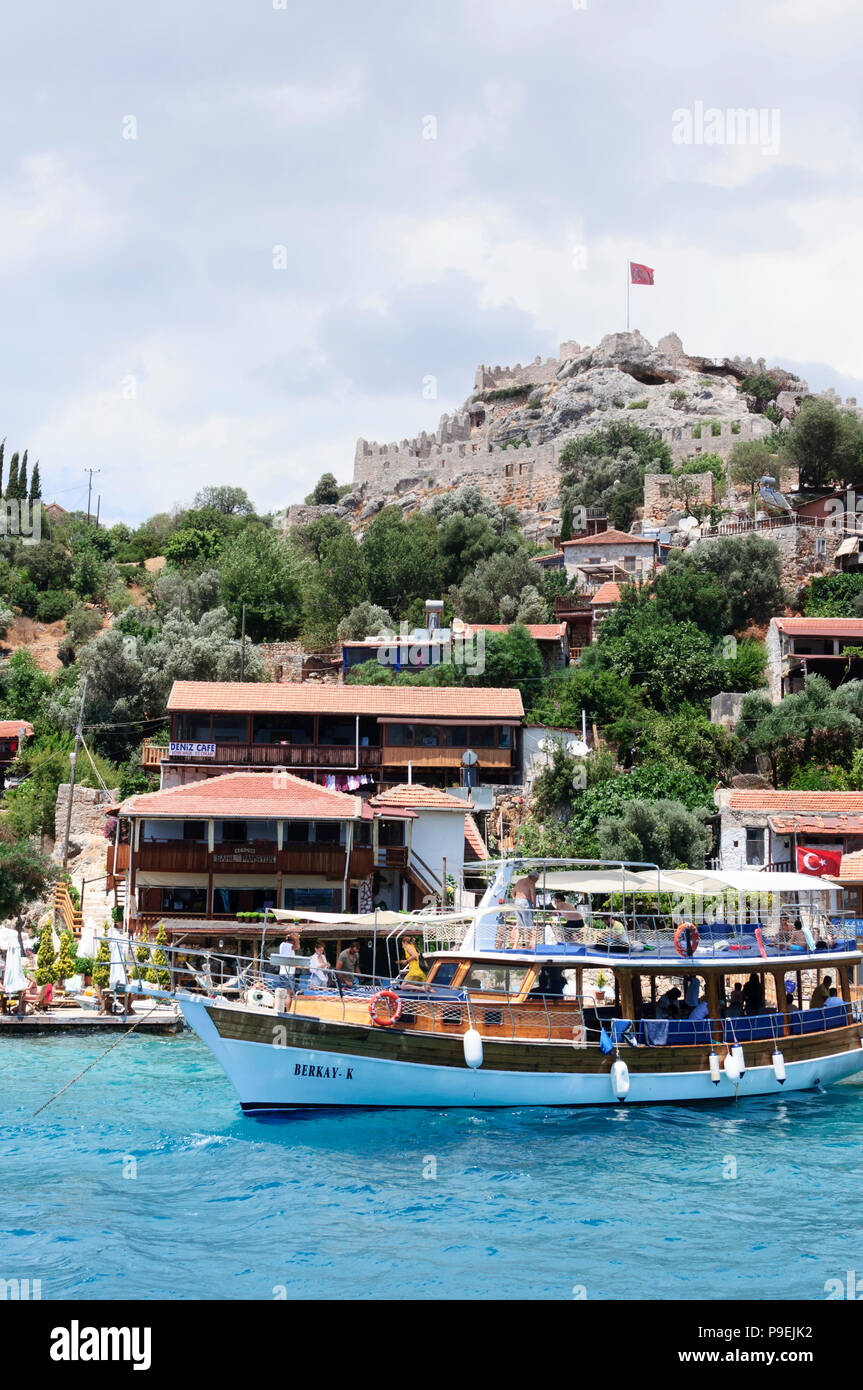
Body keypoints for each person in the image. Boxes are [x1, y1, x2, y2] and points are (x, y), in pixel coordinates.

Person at [510, 870, 539, 947]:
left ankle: (515, 946)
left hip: (516, 902)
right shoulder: (531, 883)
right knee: (528, 926)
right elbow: (533, 895)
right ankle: (526, 946)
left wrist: (517, 899)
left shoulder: (519, 881)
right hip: (525, 903)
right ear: (534, 878)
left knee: (520, 926)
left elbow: (512, 893)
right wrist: (535, 906)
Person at [277, 930, 301, 1007]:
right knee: (289, 994)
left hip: (283, 972)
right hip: (289, 973)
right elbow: (297, 947)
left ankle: (284, 1009)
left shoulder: (282, 945)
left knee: (286, 993)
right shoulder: (288, 946)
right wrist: (297, 939)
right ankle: (288, 1011)